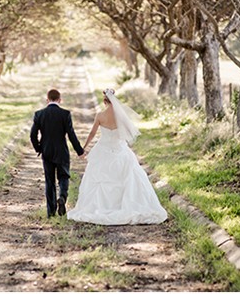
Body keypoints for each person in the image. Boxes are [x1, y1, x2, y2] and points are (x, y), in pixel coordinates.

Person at [67, 88, 167, 225]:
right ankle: (124, 206)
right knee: (128, 176)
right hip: (119, 148)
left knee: (99, 179)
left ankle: (101, 206)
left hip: (103, 148)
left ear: (104, 101)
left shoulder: (100, 115)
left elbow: (92, 134)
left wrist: (84, 147)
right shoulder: (121, 116)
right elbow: (128, 132)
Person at [31, 89, 85, 218]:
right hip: (62, 152)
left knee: (49, 181)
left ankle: (51, 212)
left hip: (47, 151)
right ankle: (62, 197)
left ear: (47, 100)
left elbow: (33, 135)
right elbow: (71, 134)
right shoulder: (65, 114)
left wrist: (39, 148)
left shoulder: (39, 114)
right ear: (60, 100)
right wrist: (79, 151)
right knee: (64, 177)